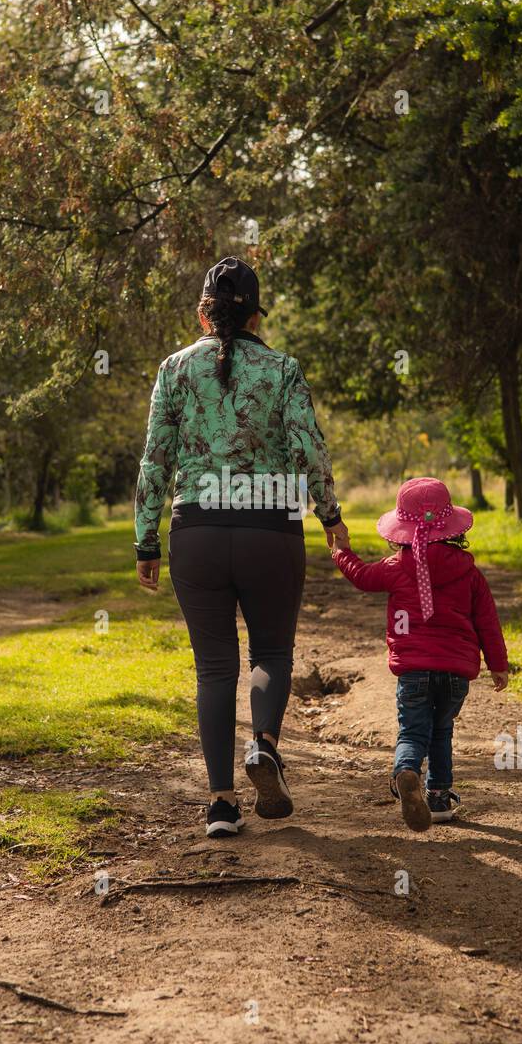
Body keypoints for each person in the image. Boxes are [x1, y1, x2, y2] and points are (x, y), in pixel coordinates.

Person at [135, 256, 349, 837]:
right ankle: (265, 746)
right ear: (256, 316)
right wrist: (329, 514)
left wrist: (145, 540)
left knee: (213, 668)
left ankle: (222, 805)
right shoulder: (283, 370)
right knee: (271, 654)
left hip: (197, 533)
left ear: (205, 314)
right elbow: (309, 448)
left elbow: (155, 458)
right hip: (271, 530)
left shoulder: (174, 370)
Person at [329, 476, 508, 832]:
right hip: (456, 673)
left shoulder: (397, 567)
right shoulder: (469, 573)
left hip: (413, 672)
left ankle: (407, 772)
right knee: (441, 730)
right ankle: (439, 799)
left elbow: (362, 577)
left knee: (412, 733)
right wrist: (498, 666)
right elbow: (488, 622)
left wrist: (341, 552)